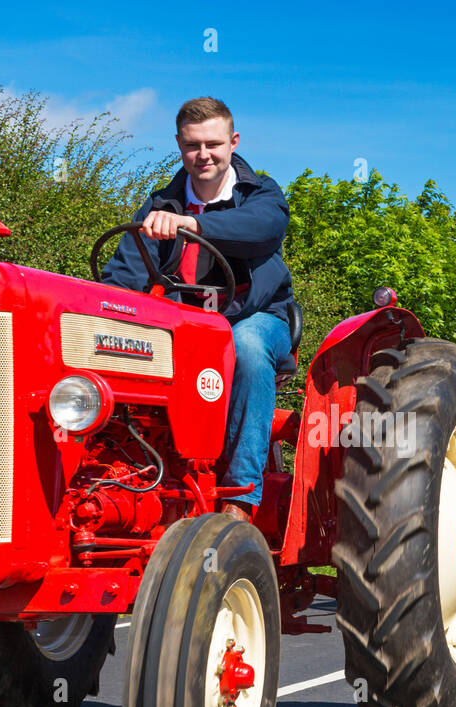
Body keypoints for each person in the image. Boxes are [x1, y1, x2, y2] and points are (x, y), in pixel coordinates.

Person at [100, 97, 293, 522]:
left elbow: (264, 229)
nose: (203, 154)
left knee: (244, 346)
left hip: (255, 318)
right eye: (192, 145)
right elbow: (125, 275)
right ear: (179, 145)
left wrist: (195, 225)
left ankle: (241, 496)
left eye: (213, 143)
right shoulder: (160, 207)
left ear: (233, 142)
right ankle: (137, 479)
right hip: (185, 327)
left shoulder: (260, 194)